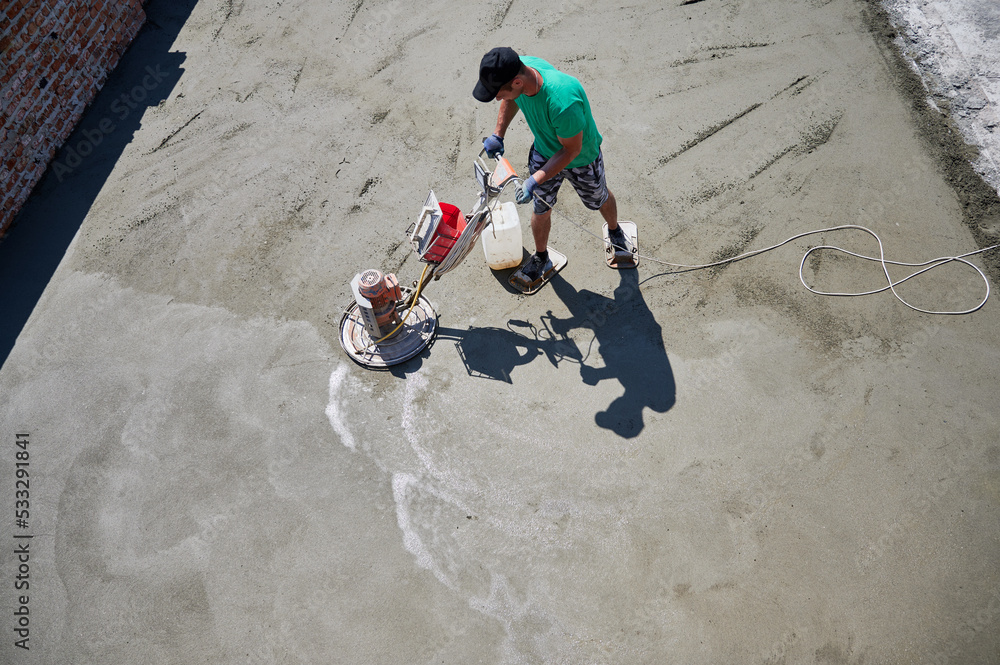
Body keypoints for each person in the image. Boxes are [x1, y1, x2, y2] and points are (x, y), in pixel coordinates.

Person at [473, 46, 630, 283]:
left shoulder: (562, 101)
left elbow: (571, 150)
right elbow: (510, 99)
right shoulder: (518, 70)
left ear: (516, 82)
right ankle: (541, 256)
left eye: (498, 92)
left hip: (581, 159)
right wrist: (499, 133)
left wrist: (533, 180)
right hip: (544, 150)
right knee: (541, 207)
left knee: (598, 198)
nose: (497, 98)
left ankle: (615, 229)